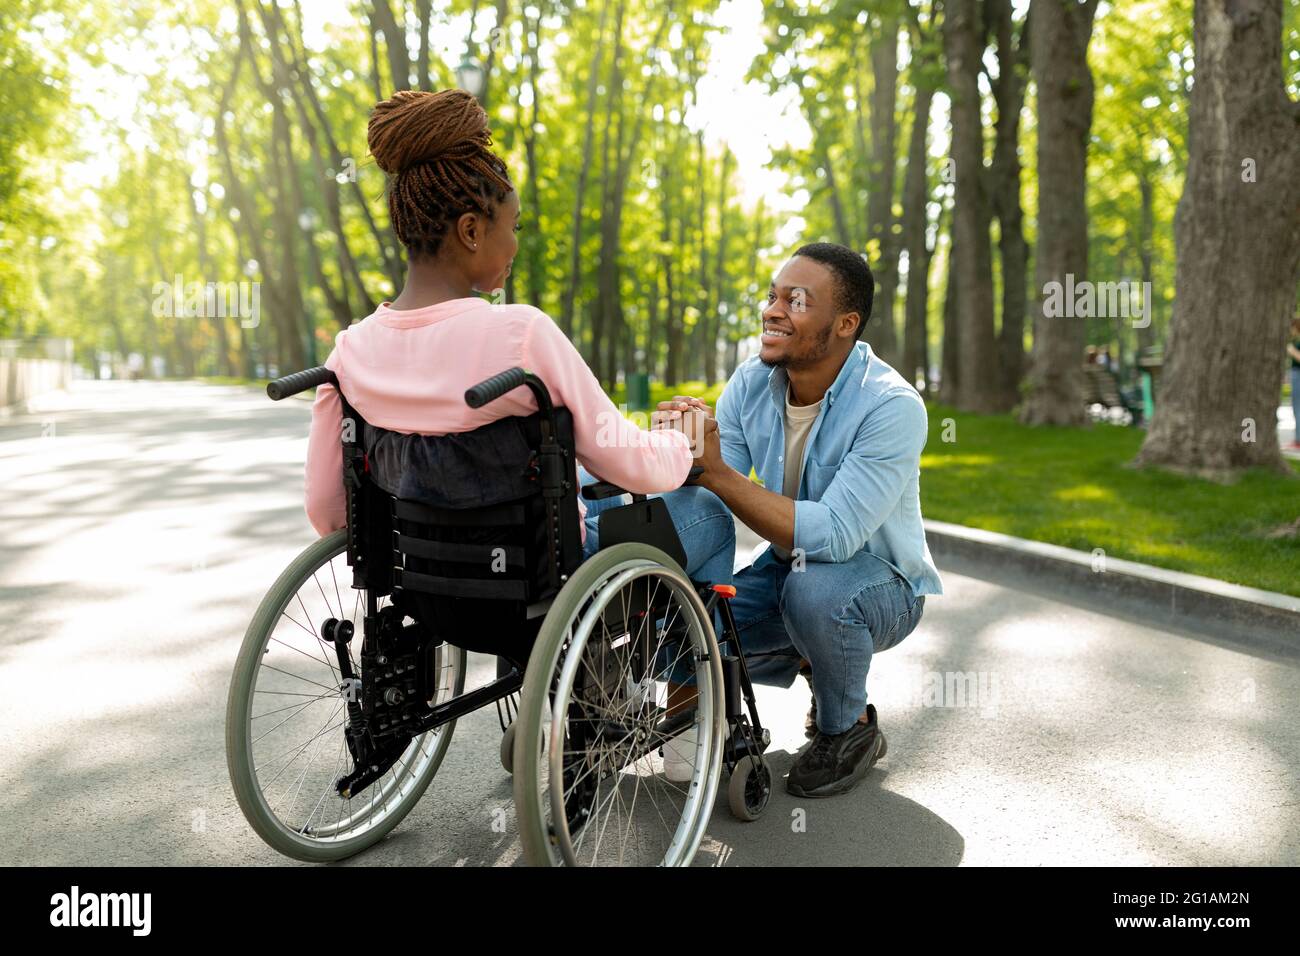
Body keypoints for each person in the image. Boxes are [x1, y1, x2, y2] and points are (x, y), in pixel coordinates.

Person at [303, 88, 734, 602]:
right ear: (470, 231)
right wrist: (681, 444)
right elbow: (627, 462)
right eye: (514, 227)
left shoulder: (350, 351)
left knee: (569, 474)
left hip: (420, 578)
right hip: (542, 581)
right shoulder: (520, 335)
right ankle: (673, 672)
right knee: (710, 516)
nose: (515, 244)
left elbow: (328, 510)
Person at [654, 242, 942, 798]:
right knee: (691, 617)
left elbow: (833, 536)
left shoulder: (890, 405)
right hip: (791, 570)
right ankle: (712, 709)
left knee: (816, 595)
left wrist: (717, 474)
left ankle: (847, 729)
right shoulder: (751, 382)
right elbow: (715, 490)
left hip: (880, 583)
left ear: (845, 323)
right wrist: (681, 455)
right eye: (771, 296)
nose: (772, 310)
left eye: (796, 300)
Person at [1287, 317, 1300, 450]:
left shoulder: (1297, 343)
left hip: (1298, 375)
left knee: (1297, 407)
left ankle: (1298, 440)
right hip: (1296, 374)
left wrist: (1291, 351)